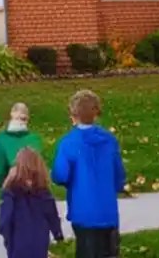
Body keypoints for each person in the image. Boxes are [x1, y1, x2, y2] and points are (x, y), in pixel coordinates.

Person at [52, 90, 126, 258]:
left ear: (73, 115)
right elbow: (119, 174)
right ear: (96, 113)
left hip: (83, 211)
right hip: (107, 211)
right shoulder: (109, 140)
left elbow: (60, 175)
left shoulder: (69, 143)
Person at [0, 148, 64, 258]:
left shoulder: (10, 192)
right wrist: (58, 234)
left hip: (18, 242)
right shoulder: (43, 191)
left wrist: (7, 238)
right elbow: (52, 215)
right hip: (39, 241)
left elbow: (5, 220)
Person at [0, 102, 44, 187]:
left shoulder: (1, 140)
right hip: (34, 190)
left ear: (11, 117)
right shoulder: (35, 139)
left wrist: (5, 184)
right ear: (27, 119)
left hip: (11, 189)